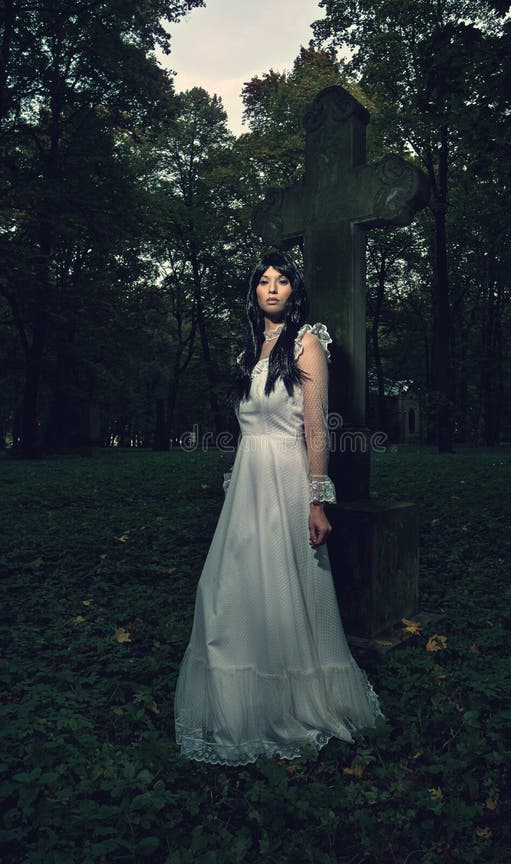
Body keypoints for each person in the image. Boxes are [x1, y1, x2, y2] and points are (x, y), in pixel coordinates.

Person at [174, 250, 384, 766]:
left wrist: (317, 498)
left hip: (288, 479)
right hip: (249, 483)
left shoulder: (308, 341)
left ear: (294, 289)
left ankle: (292, 702)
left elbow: (316, 426)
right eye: (263, 281)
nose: (271, 289)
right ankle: (238, 708)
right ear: (254, 292)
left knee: (286, 592)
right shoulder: (249, 349)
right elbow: (248, 428)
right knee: (224, 593)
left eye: (281, 280)